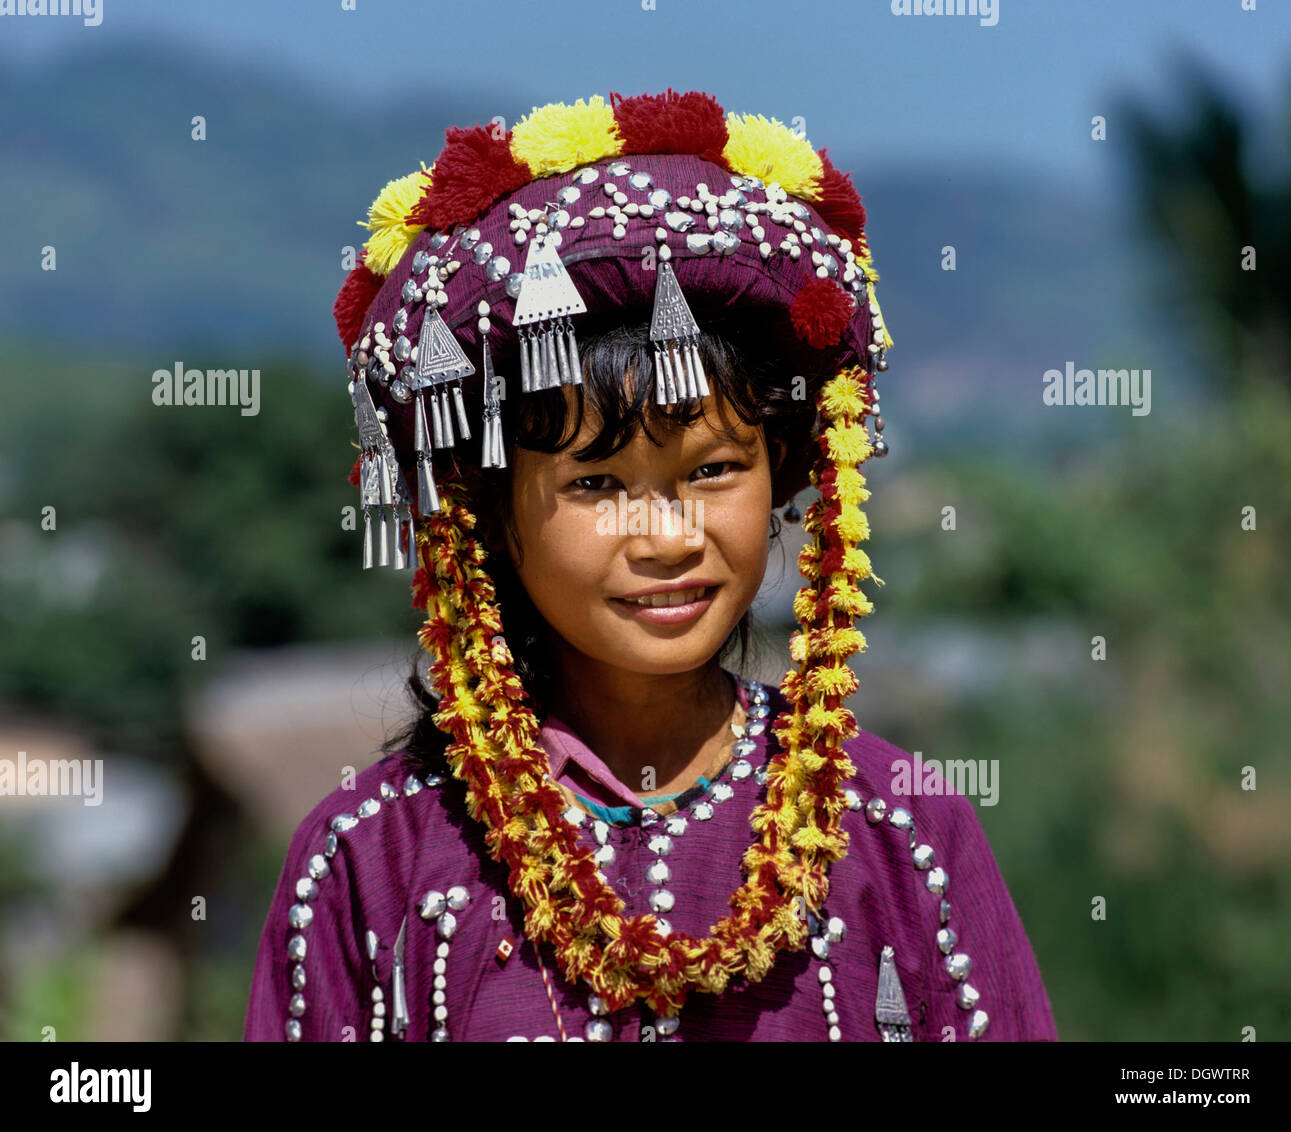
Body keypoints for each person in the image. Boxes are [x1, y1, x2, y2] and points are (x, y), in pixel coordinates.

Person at [242, 88, 1057, 1042]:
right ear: (493, 515)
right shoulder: (373, 861)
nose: (668, 536)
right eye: (595, 483)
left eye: (712, 469)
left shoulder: (900, 831)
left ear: (786, 472)